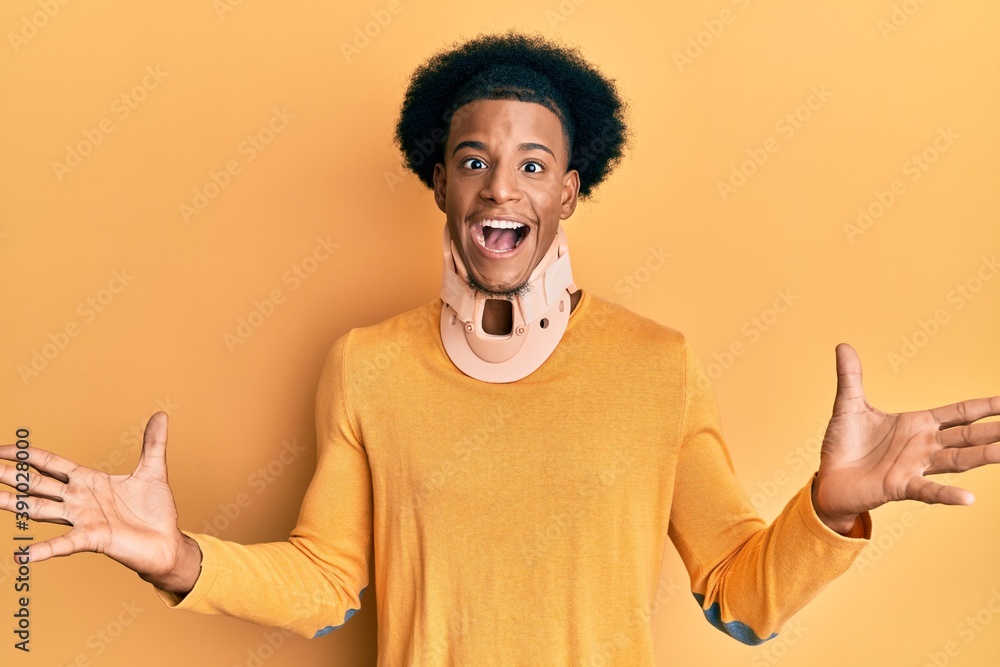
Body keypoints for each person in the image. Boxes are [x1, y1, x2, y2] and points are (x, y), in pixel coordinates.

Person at [2, 31, 999, 666]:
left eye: (531, 164)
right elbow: (325, 588)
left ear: (568, 191)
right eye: (473, 160)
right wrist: (177, 558)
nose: (499, 187)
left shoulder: (658, 365)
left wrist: (830, 506)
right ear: (438, 181)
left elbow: (738, 599)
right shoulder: (366, 365)